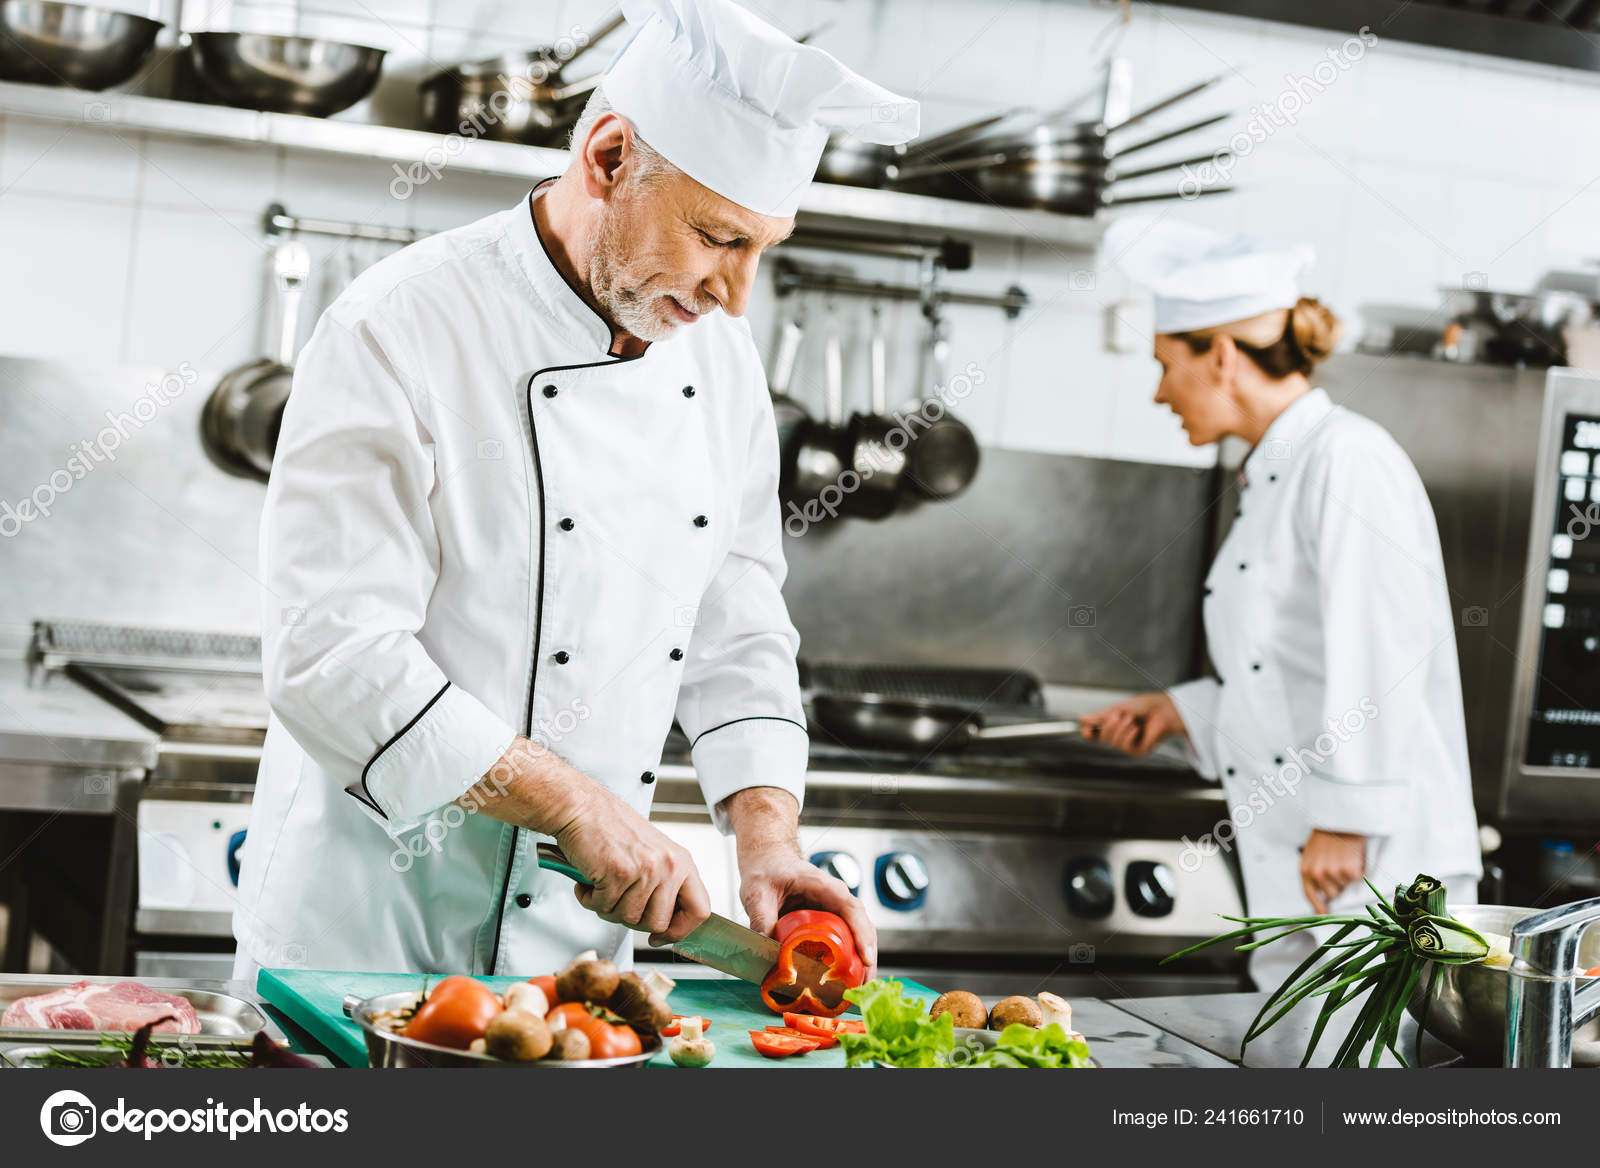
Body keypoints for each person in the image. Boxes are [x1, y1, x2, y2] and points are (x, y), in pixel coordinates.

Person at [231, 0, 918, 979]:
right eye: (720, 237)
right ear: (606, 158)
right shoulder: (400, 326)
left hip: (571, 959)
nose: (739, 293)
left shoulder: (718, 362)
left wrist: (767, 836)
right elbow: (331, 655)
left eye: (768, 247)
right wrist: (577, 804)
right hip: (364, 938)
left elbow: (737, 619)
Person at [1080, 218, 1481, 988]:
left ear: (1222, 356)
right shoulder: (1279, 472)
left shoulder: (1347, 460)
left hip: (1373, 873)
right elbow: (1286, 665)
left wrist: (1345, 817)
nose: (1161, 391)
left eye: (1167, 364)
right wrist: (1185, 711)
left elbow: (1382, 650)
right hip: (1315, 875)